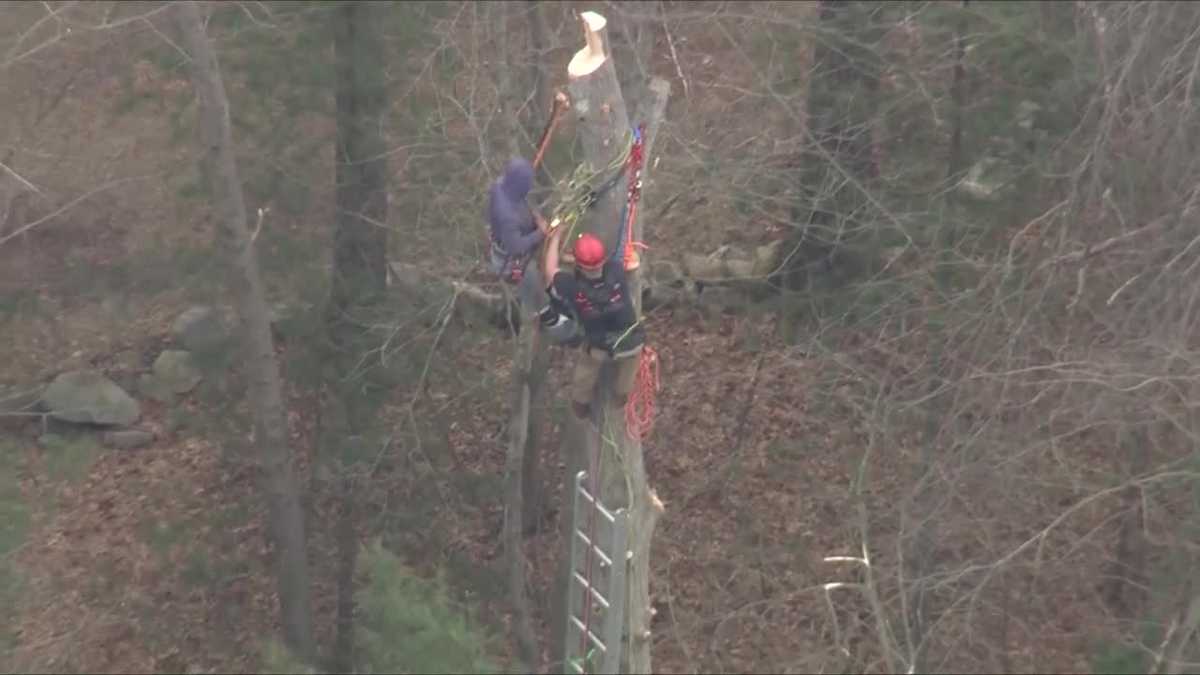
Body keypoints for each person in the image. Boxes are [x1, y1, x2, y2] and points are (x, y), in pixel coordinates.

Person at [542, 226, 645, 420]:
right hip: (632, 341)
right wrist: (573, 258)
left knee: (587, 366)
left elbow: (549, 271)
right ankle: (621, 394)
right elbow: (601, 262)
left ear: (579, 266)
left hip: (600, 347)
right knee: (630, 363)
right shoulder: (616, 269)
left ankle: (580, 402)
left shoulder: (570, 286)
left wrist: (555, 238)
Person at [488, 157, 550, 311]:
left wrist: (534, 215)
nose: (529, 187)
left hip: (513, 239)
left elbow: (522, 200)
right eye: (527, 184)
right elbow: (516, 247)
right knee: (535, 295)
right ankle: (542, 314)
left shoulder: (502, 185)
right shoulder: (507, 216)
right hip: (512, 263)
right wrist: (540, 233)